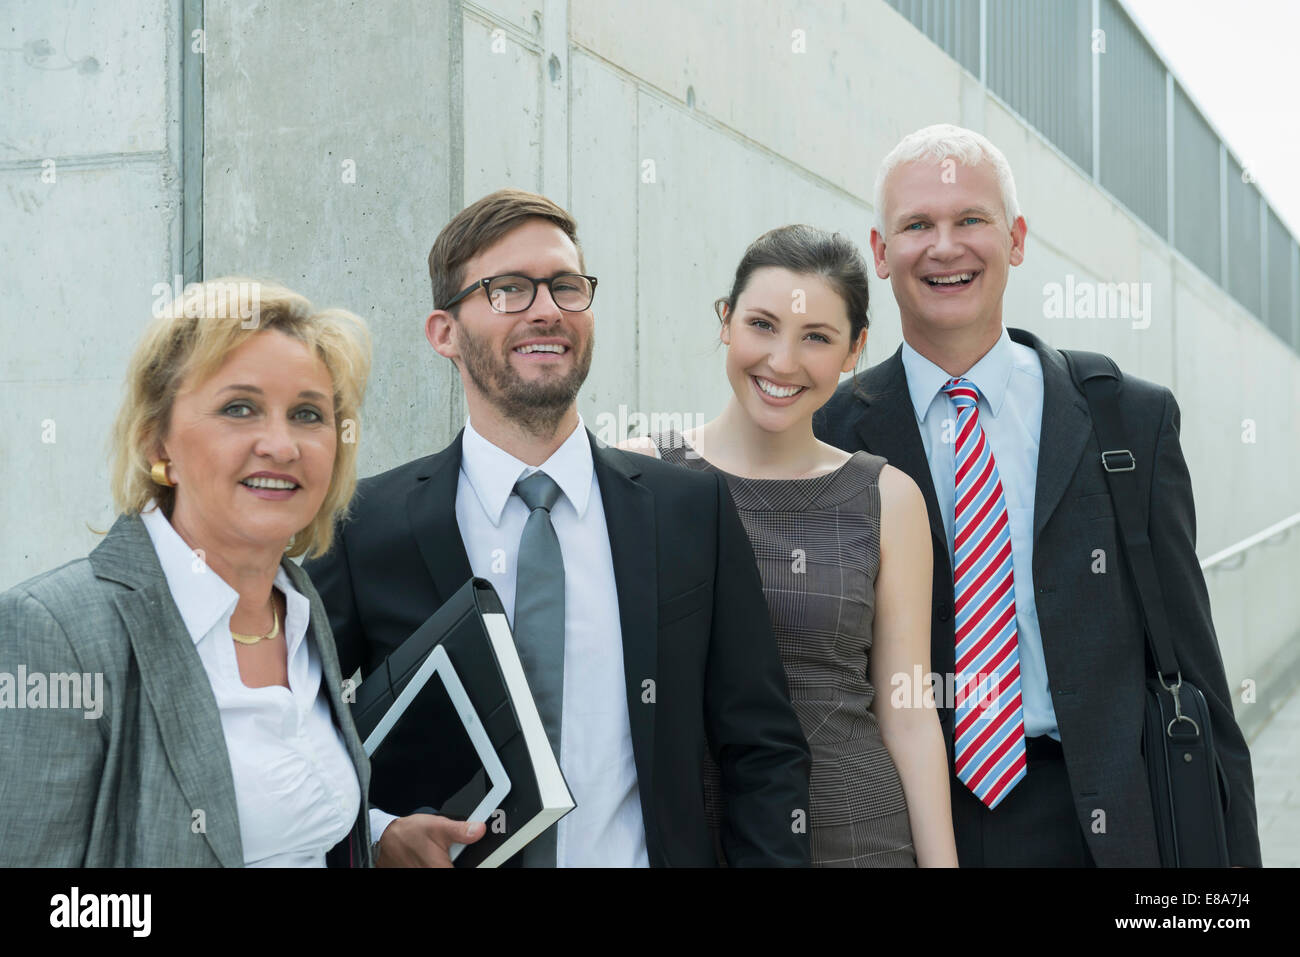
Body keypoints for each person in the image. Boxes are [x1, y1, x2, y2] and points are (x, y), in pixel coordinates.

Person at [303, 188, 812, 868]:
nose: (547, 309)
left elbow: (763, 750)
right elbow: (285, 735)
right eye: (508, 288)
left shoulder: (689, 510)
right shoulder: (366, 524)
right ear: (443, 332)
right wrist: (375, 832)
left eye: (566, 287)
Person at [814, 123, 1262, 866]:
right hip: (908, 821)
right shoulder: (830, 429)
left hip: (1102, 821)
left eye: (971, 221)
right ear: (882, 251)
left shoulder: (1128, 419)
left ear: (1016, 240)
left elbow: (1199, 675)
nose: (945, 246)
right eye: (918, 224)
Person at [0, 279, 375, 867]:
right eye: (239, 408)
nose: (281, 445)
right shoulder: (59, 630)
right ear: (159, 444)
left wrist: (378, 835)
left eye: (308, 414)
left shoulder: (297, 605)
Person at [620, 225, 958, 867]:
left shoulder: (888, 496)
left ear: (855, 349)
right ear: (725, 321)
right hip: (690, 842)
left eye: (817, 338)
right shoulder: (642, 474)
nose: (782, 361)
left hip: (859, 841)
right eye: (762, 325)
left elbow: (909, 716)